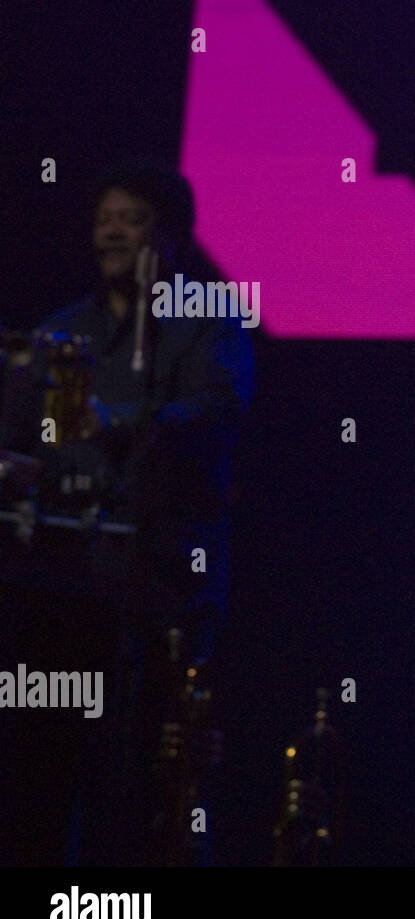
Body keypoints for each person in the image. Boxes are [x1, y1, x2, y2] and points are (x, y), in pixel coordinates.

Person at [0, 162, 252, 864]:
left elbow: (217, 407)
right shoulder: (61, 331)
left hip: (169, 579)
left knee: (159, 769)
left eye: (131, 218)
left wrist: (120, 422)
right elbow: (23, 441)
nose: (110, 231)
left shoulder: (207, 316)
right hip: (65, 590)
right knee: (49, 761)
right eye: (103, 217)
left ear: (168, 235)